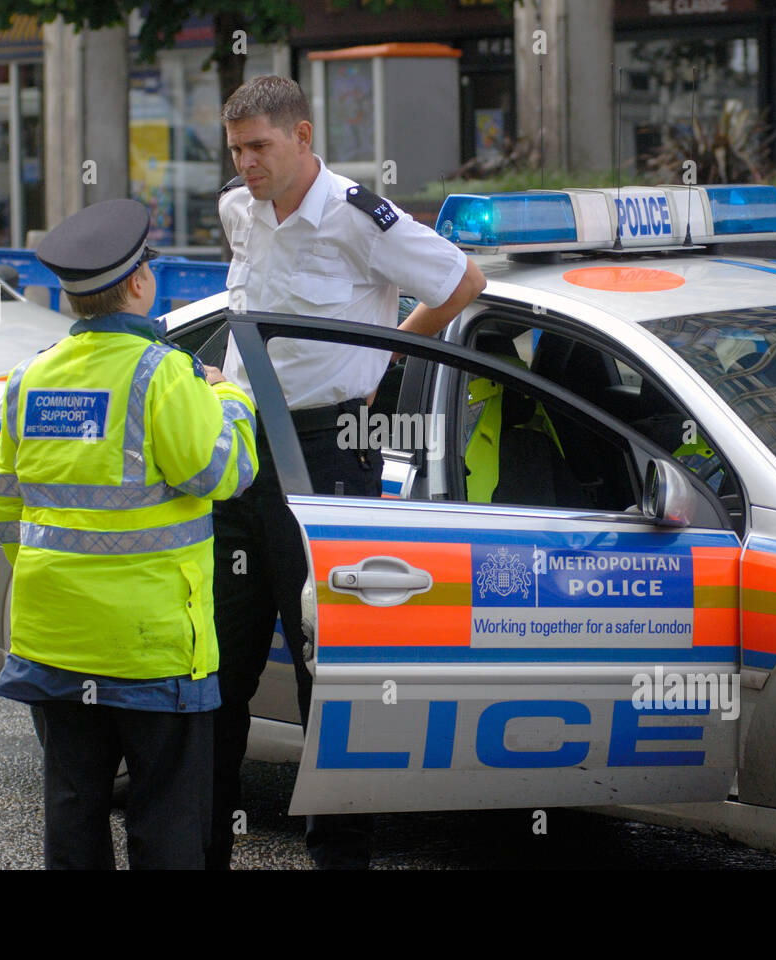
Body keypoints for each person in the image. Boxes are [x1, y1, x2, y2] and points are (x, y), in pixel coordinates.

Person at [209, 75, 486, 870]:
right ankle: (201, 847)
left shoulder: (360, 218)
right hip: (241, 451)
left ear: (303, 137)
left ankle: (338, 857)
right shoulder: (240, 210)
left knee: (325, 667)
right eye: (236, 150)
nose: (247, 164)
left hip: (327, 456)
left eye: (259, 147)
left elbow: (464, 282)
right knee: (219, 666)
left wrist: (385, 349)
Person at [0, 198, 258, 869]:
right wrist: (232, 398)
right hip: (152, 650)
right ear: (140, 283)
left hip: (55, 643)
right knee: (166, 820)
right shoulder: (163, 373)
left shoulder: (29, 379)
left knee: (73, 813)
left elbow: (4, 508)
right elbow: (224, 472)